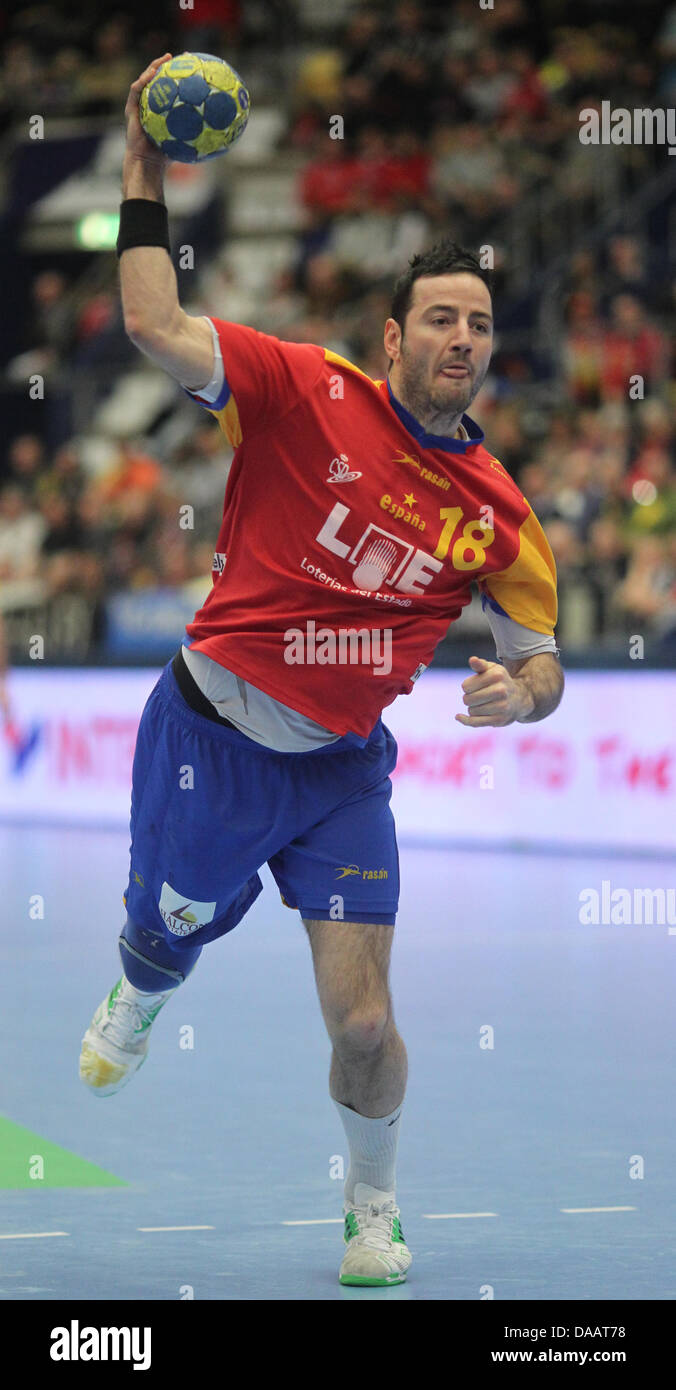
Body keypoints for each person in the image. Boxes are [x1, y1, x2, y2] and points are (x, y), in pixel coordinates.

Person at [79, 56, 564, 1288]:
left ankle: (372, 1207)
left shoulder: (498, 510)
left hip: (344, 775)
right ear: (395, 335)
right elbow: (151, 323)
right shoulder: (302, 390)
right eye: (441, 318)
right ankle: (141, 982)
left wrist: (524, 690)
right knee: (163, 931)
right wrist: (143, 167)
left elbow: (543, 654)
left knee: (362, 1021)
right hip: (209, 733)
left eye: (481, 322)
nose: (464, 337)